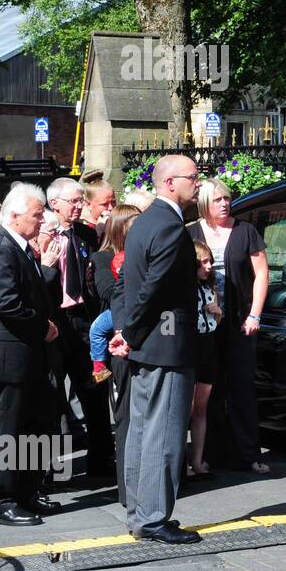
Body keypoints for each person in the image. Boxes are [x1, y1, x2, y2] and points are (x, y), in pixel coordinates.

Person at [115, 154, 202, 545]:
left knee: (143, 431)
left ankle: (138, 512)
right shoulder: (168, 226)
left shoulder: (144, 222)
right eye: (192, 177)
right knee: (164, 433)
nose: (198, 183)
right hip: (165, 345)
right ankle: (152, 519)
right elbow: (152, 289)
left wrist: (128, 333)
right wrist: (130, 332)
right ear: (169, 183)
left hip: (148, 344)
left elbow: (133, 287)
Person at [0, 183, 61, 525]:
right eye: (36, 215)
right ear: (15, 215)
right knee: (6, 429)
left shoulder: (19, 247)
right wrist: (43, 326)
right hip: (6, 357)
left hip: (26, 355)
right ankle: (1, 500)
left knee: (30, 426)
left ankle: (25, 492)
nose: (41, 220)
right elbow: (5, 303)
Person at [188, 178, 269, 473]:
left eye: (226, 198)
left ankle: (249, 453)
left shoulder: (245, 231)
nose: (224, 204)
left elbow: (261, 274)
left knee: (242, 385)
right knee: (209, 389)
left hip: (238, 319)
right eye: (217, 199)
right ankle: (207, 454)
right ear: (205, 203)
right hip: (204, 324)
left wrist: (254, 315)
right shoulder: (192, 232)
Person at [46, 176, 113, 477]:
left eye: (80, 201)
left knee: (94, 390)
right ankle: (45, 471)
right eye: (72, 201)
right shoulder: (43, 235)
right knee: (49, 396)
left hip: (83, 321)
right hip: (53, 322)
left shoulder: (86, 234)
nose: (78, 207)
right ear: (54, 203)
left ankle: (101, 460)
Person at [92, 204, 140, 507]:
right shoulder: (104, 258)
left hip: (141, 341)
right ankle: (126, 486)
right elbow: (109, 292)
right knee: (127, 415)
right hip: (119, 344)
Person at [189, 240, 223, 479]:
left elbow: (215, 321)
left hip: (209, 346)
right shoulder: (185, 289)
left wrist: (218, 313)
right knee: (185, 409)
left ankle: (198, 461)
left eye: (210, 261)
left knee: (201, 408)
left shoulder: (211, 287)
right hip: (192, 347)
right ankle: (181, 464)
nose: (209, 266)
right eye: (203, 262)